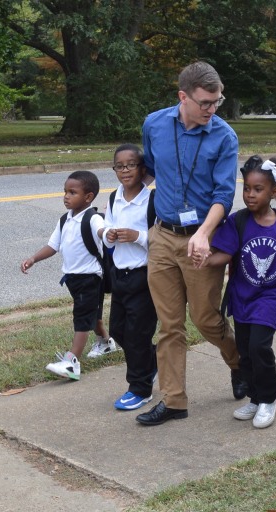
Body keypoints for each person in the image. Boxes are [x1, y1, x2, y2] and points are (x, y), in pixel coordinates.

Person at [136, 61, 245, 427]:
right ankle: (175, 401)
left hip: (203, 239)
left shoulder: (224, 137)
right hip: (163, 237)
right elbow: (151, 167)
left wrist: (203, 233)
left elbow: (224, 194)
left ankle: (238, 361)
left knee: (205, 319)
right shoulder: (154, 124)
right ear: (183, 97)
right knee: (169, 325)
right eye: (205, 103)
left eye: (217, 102)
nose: (212, 110)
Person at [203, 156, 276, 428]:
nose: (250, 194)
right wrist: (203, 259)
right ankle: (255, 397)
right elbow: (224, 255)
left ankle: (270, 398)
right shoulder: (238, 221)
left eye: (257, 189)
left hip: (270, 297)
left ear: (273, 193)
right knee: (245, 351)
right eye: (246, 188)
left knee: (260, 347)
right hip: (242, 296)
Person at [21, 170, 112, 381]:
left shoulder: (92, 218)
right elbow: (53, 246)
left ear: (88, 197)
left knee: (82, 318)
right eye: (65, 191)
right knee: (93, 315)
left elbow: (102, 230)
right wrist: (33, 259)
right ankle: (106, 343)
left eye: (72, 192)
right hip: (72, 279)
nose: (66, 196)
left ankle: (71, 362)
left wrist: (107, 234)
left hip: (89, 277)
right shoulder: (65, 220)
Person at [101, 144, 158, 410]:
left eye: (131, 165)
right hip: (119, 276)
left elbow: (161, 240)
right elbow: (108, 230)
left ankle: (140, 388)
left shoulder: (153, 200)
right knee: (119, 332)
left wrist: (138, 237)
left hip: (145, 277)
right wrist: (108, 235)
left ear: (142, 168)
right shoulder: (114, 198)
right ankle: (152, 361)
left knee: (137, 334)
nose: (125, 170)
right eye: (119, 166)